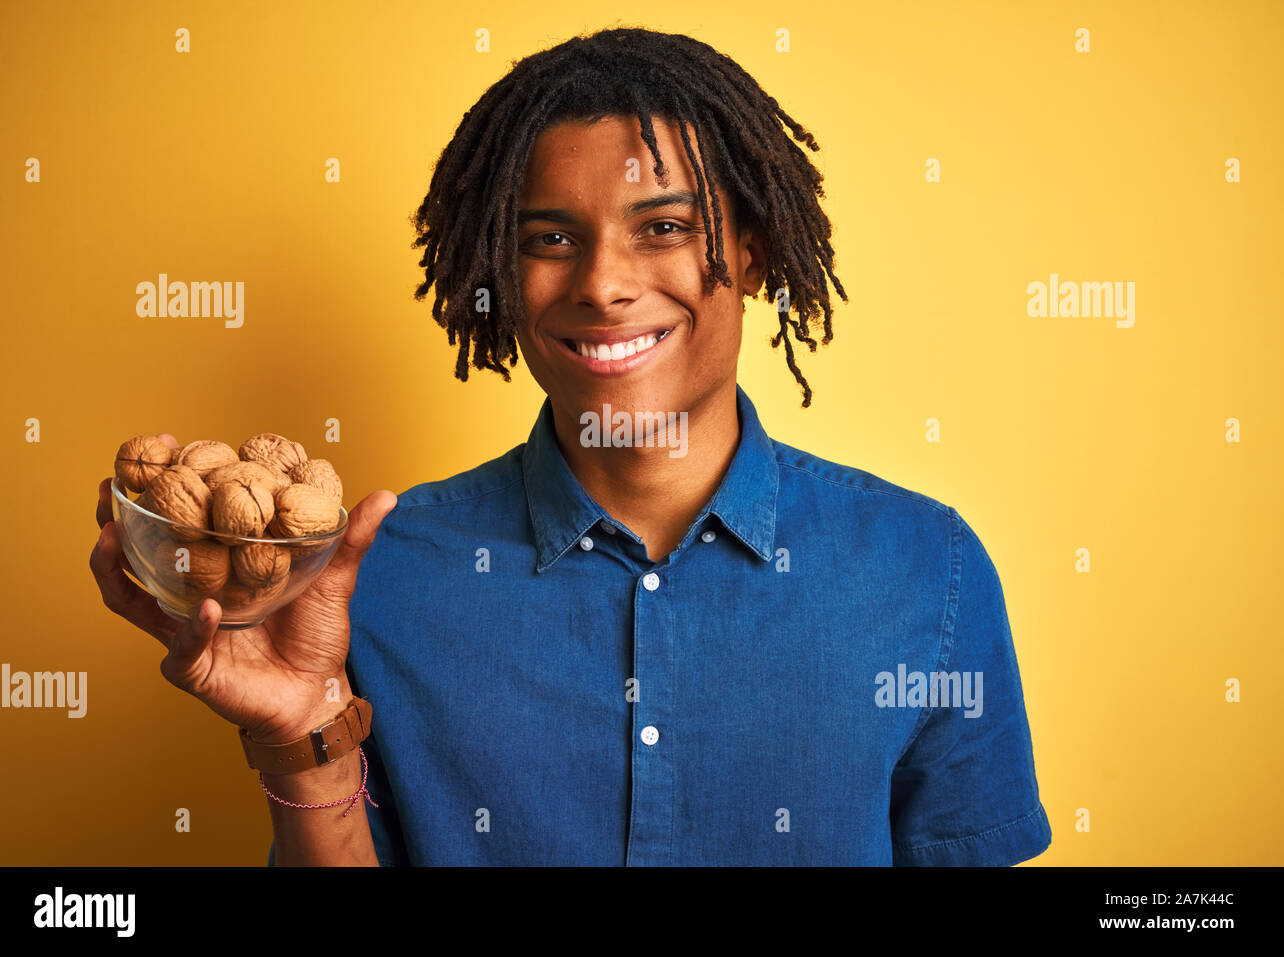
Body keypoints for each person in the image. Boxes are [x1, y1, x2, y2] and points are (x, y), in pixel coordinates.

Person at [91, 26, 1051, 866]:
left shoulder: (928, 573)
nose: (603, 283)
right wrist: (302, 731)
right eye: (550, 239)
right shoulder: (369, 580)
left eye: (663, 226)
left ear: (751, 252)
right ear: (500, 274)